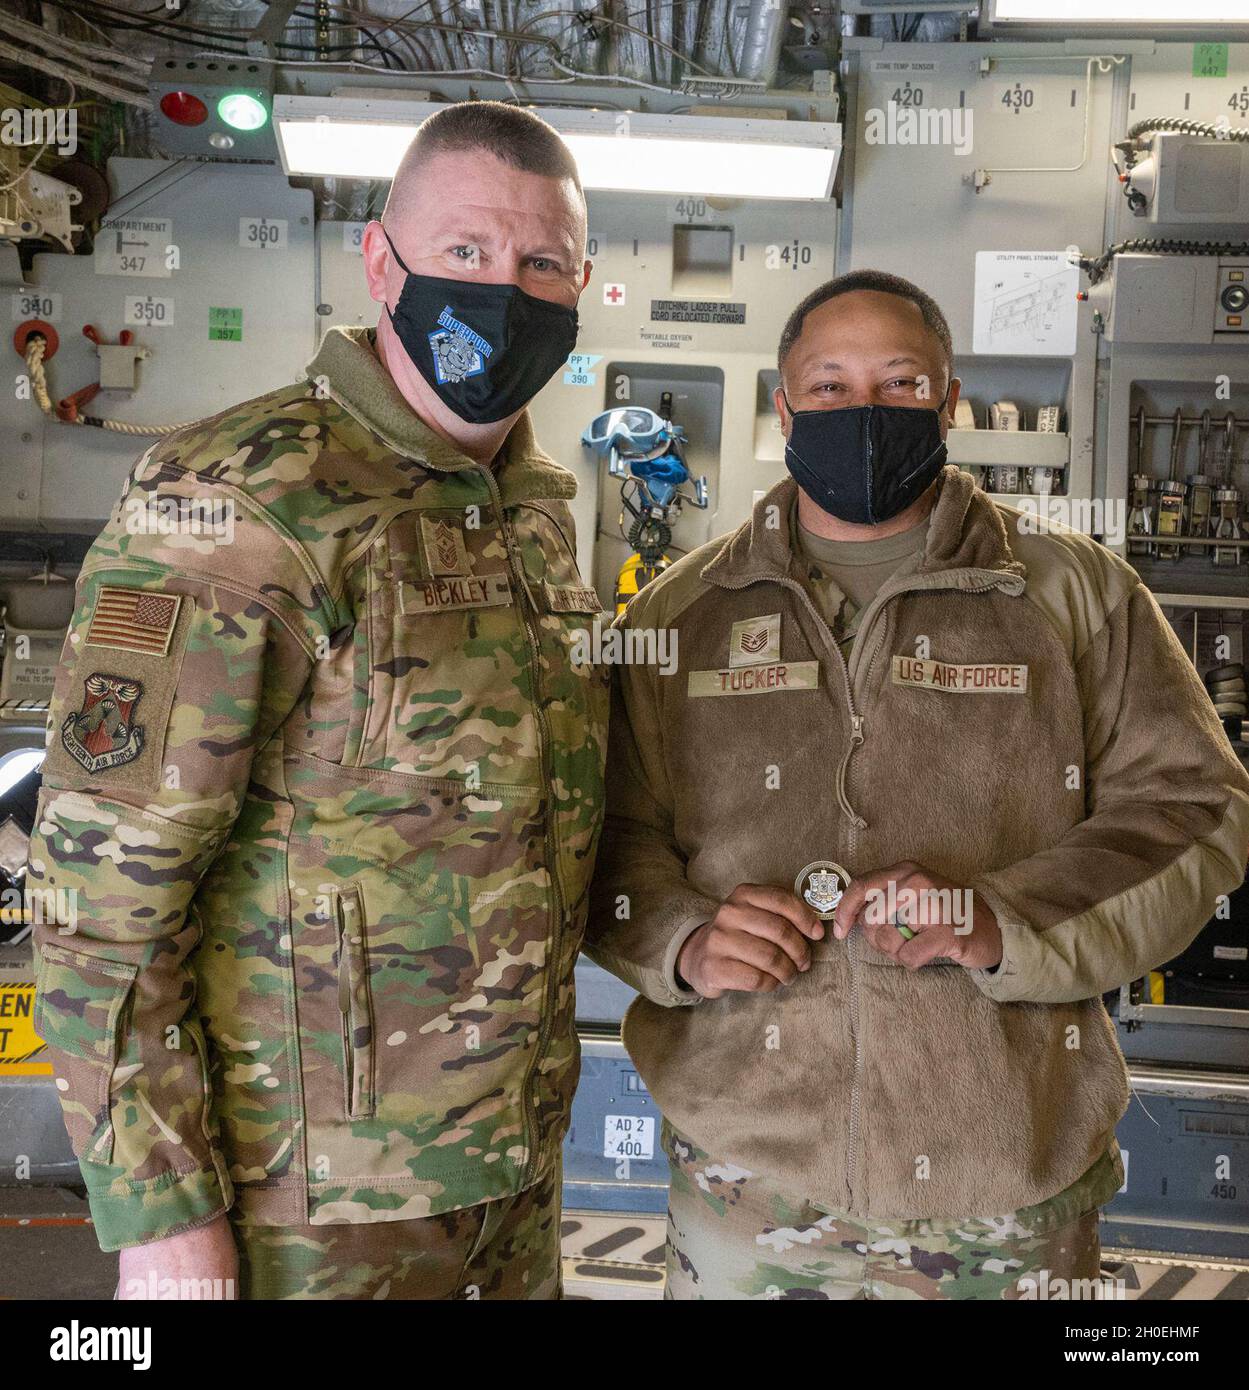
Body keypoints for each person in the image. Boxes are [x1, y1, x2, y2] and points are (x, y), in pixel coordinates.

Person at [27, 100, 608, 1300]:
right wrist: (158, 1208)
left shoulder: (536, 506)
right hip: (303, 1202)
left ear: (581, 283)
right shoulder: (240, 498)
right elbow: (98, 892)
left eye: (538, 261)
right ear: (378, 260)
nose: (504, 289)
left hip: (508, 1177)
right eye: (465, 253)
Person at [586, 270, 1249, 1300]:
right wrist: (681, 935)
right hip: (748, 1186)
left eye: (899, 385)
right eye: (831, 384)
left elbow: (1194, 816)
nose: (864, 412)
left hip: (1006, 1193)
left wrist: (999, 923)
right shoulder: (681, 616)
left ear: (947, 403)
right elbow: (607, 836)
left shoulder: (1073, 593)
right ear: (783, 405)